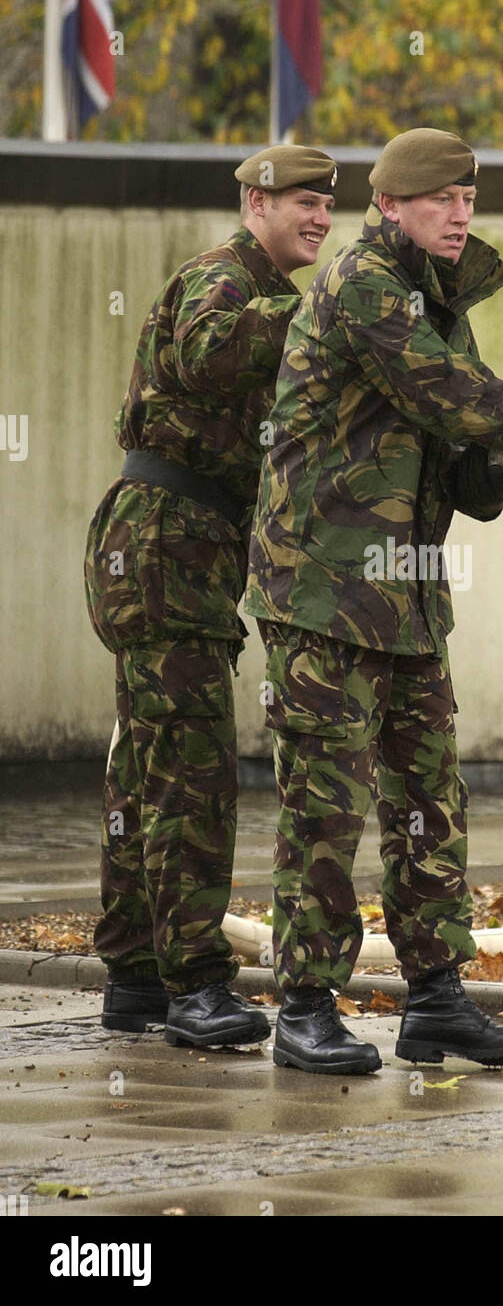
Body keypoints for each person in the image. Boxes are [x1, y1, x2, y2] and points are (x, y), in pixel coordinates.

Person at [245, 127, 503, 1075]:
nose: (461, 215)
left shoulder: (436, 301)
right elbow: (445, 391)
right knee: (324, 803)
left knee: (428, 801)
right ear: (392, 204)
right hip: (319, 584)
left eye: (472, 200)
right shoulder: (360, 280)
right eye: (444, 199)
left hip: (403, 595)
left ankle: (436, 1002)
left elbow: (459, 457)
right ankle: (306, 1008)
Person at [84, 144, 338, 1048]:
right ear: (254, 202)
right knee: (191, 771)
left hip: (173, 544)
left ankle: (135, 977)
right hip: (165, 543)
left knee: (148, 764)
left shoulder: (263, 290)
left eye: (325, 205)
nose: (316, 218)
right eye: (300, 201)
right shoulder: (224, 282)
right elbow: (207, 351)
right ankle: (195, 986)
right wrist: (317, 319)